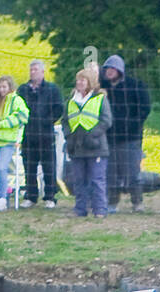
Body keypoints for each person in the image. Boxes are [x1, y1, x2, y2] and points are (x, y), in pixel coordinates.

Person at [101, 55, 150, 214]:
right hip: (109, 137)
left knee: (132, 172)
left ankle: (137, 202)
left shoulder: (135, 86)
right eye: (107, 68)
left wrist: (133, 125)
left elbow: (144, 108)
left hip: (131, 137)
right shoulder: (102, 88)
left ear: (120, 71)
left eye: (113, 68)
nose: (109, 71)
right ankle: (112, 203)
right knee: (111, 173)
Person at [61, 67, 112, 219]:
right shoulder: (71, 100)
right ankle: (80, 209)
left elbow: (106, 120)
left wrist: (92, 135)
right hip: (76, 147)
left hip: (95, 147)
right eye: (78, 80)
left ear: (90, 82)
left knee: (97, 180)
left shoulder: (100, 98)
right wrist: (68, 135)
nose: (79, 83)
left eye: (83, 80)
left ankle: (100, 210)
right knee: (79, 180)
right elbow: (65, 121)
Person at [16, 60, 62, 209]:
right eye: (31, 70)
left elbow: (59, 108)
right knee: (29, 166)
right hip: (28, 134)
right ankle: (30, 195)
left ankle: (50, 196)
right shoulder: (23, 90)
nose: (32, 72)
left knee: (49, 166)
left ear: (43, 72)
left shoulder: (52, 89)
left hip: (46, 134)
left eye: (35, 70)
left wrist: (47, 121)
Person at [0, 75, 29, 211]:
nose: (2, 90)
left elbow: (22, 116)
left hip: (8, 141)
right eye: (0, 87)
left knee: (2, 167)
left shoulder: (16, 100)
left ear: (10, 87)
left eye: (4, 87)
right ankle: (5, 196)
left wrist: (2, 124)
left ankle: (2, 198)